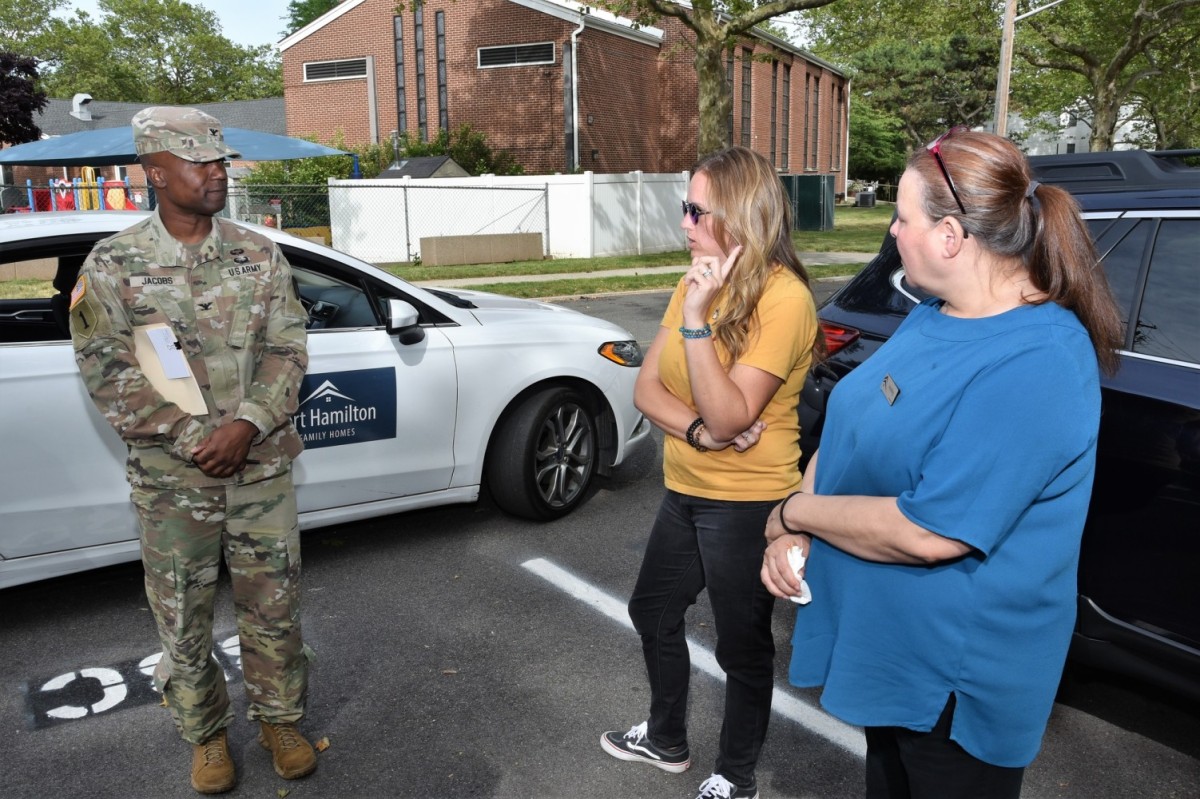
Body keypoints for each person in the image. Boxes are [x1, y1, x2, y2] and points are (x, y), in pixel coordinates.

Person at [761, 128, 1123, 799]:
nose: (892, 231)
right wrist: (797, 531)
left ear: (951, 236)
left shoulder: (1039, 359)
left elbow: (931, 531)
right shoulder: (934, 315)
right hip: (889, 645)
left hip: (952, 683)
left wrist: (792, 512)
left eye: (903, 218)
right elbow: (849, 429)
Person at [69, 107, 315, 795]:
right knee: (182, 613)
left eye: (219, 160)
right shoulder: (113, 263)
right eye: (198, 161)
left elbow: (289, 347)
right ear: (155, 172)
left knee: (275, 605)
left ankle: (280, 720)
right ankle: (205, 733)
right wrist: (192, 436)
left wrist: (248, 424)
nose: (217, 172)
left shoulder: (260, 253)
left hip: (260, 468)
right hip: (173, 479)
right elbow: (105, 367)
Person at [601, 146, 821, 799]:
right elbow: (646, 390)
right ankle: (667, 739)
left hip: (750, 502)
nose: (685, 222)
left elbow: (732, 415)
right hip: (686, 489)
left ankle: (736, 776)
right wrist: (699, 430)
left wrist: (698, 327)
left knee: (741, 646)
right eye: (686, 207)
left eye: (697, 210)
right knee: (652, 610)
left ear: (740, 215)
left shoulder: (784, 299)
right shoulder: (693, 280)